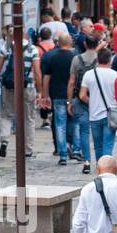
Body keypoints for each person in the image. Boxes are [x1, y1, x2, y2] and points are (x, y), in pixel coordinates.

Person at [0, 26, 42, 159]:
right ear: (25, 34)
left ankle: (4, 140)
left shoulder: (7, 48)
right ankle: (28, 150)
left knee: (7, 115)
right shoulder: (32, 50)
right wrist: (40, 91)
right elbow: (37, 72)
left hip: (9, 86)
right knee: (29, 118)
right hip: (27, 87)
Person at [41, 33, 80, 166]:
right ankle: (76, 150)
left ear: (58, 43)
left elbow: (46, 78)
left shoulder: (53, 57)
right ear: (70, 43)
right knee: (75, 123)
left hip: (57, 95)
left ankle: (62, 154)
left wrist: (45, 95)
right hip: (73, 95)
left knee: (60, 125)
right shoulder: (75, 57)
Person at [79, 46, 117, 161]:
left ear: (97, 59)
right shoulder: (115, 75)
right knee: (108, 145)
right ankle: (106, 169)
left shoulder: (89, 74)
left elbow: (82, 95)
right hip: (111, 114)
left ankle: (100, 167)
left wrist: (92, 102)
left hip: (94, 114)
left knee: (98, 146)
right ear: (110, 60)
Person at [67, 32, 100, 168]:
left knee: (84, 131)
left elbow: (71, 82)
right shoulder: (100, 59)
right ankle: (100, 161)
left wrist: (69, 102)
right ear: (97, 44)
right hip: (97, 99)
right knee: (98, 131)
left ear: (85, 44)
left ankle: (86, 160)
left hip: (81, 98)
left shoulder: (77, 59)